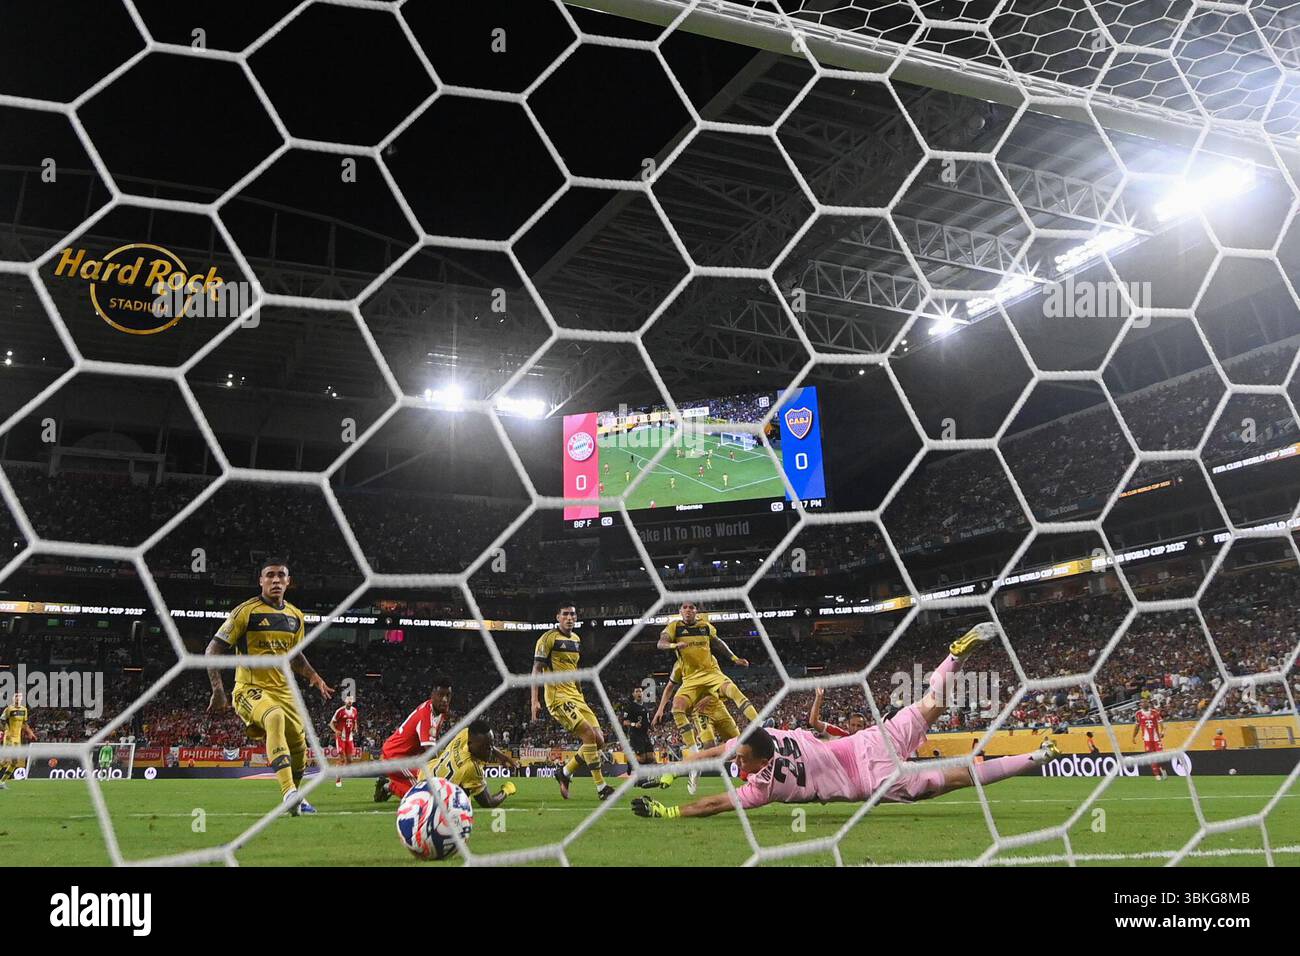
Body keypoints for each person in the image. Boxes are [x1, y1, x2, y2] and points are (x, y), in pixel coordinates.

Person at [632, 623, 1060, 820]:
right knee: (932, 703)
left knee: (959, 778)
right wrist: (681, 766)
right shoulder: (777, 734)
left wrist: (668, 811)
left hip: (872, 778)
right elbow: (722, 749)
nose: (737, 765)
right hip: (872, 741)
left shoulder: (763, 786)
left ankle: (1037, 756)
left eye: (740, 762)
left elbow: (714, 803)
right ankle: (952, 656)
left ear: (756, 762)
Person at [206, 560, 333, 815]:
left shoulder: (296, 617)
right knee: (274, 716)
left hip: (286, 691)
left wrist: (314, 676)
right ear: (260, 581)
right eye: (270, 576)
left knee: (299, 745)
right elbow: (212, 650)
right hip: (250, 688)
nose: (275, 580)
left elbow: (295, 657)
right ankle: (289, 793)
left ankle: (295, 798)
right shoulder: (245, 612)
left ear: (288, 581)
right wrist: (218, 690)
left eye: (281, 576)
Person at [531, 603, 615, 800]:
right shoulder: (547, 638)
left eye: (573, 615)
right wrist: (534, 701)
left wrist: (580, 694)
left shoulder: (576, 640)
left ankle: (565, 772)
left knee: (600, 741)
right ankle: (602, 787)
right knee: (588, 734)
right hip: (557, 697)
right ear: (558, 617)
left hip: (575, 697)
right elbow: (536, 669)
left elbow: (574, 670)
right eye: (565, 614)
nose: (570, 618)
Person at [374, 677, 453, 802]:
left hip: (408, 757)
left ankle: (389, 785)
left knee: (430, 787)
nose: (445, 700)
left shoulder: (440, 712)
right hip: (395, 756)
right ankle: (388, 786)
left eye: (448, 696)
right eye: (441, 695)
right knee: (424, 794)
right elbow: (431, 754)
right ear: (432, 695)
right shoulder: (426, 716)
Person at [0, 692, 37, 789]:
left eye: (20, 696)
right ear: (13, 698)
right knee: (5, 760)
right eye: (16, 696)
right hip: (9, 737)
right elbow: (2, 721)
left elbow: (24, 724)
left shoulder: (24, 710)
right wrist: (5, 731)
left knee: (14, 762)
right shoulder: (9, 709)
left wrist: (30, 733)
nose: (18, 698)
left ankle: (2, 782)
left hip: (17, 739)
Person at [1133, 695, 1165, 781]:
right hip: (1147, 740)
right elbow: (1137, 726)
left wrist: (1162, 732)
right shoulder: (1138, 714)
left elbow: (1161, 723)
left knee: (1160, 755)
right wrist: (1134, 736)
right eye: (1141, 703)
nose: (1142, 704)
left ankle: (1162, 768)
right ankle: (1157, 774)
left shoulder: (1155, 712)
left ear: (1148, 703)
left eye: (1144, 702)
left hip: (1156, 738)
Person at [330, 693, 359, 787]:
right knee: (342, 759)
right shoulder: (340, 711)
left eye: (351, 700)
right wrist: (336, 730)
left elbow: (355, 721)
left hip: (349, 737)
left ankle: (340, 771)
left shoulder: (355, 710)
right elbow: (331, 723)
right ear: (345, 701)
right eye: (348, 700)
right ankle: (338, 778)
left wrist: (355, 728)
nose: (350, 701)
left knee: (350, 760)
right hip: (341, 738)